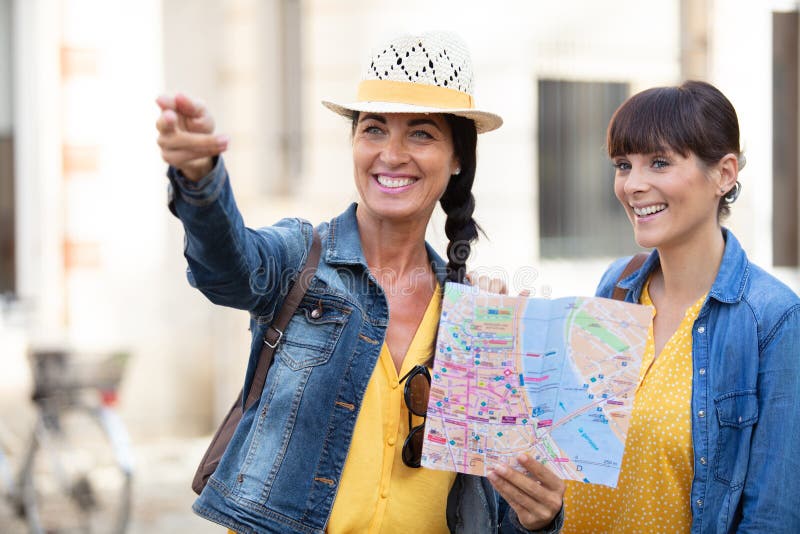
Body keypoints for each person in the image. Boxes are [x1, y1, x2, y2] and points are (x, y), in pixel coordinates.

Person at [155, 31, 565, 533]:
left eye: (421, 133)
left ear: (458, 158)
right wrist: (200, 180)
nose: (391, 154)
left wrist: (539, 518)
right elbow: (226, 265)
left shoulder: (476, 316)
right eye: (374, 129)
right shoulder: (296, 261)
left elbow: (493, 511)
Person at [560, 81, 800, 532]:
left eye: (660, 163)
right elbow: (578, 454)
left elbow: (774, 517)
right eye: (622, 165)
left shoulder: (773, 319)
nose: (633, 185)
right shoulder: (616, 285)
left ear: (724, 174)